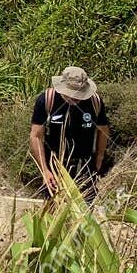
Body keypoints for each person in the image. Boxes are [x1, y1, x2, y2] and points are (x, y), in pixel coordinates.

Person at [29, 65, 110, 199]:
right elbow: (36, 136)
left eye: (79, 95)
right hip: (55, 164)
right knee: (54, 206)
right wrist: (45, 170)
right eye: (71, 94)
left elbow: (103, 130)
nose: (75, 98)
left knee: (86, 206)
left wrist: (99, 158)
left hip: (84, 164)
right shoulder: (47, 99)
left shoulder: (95, 101)